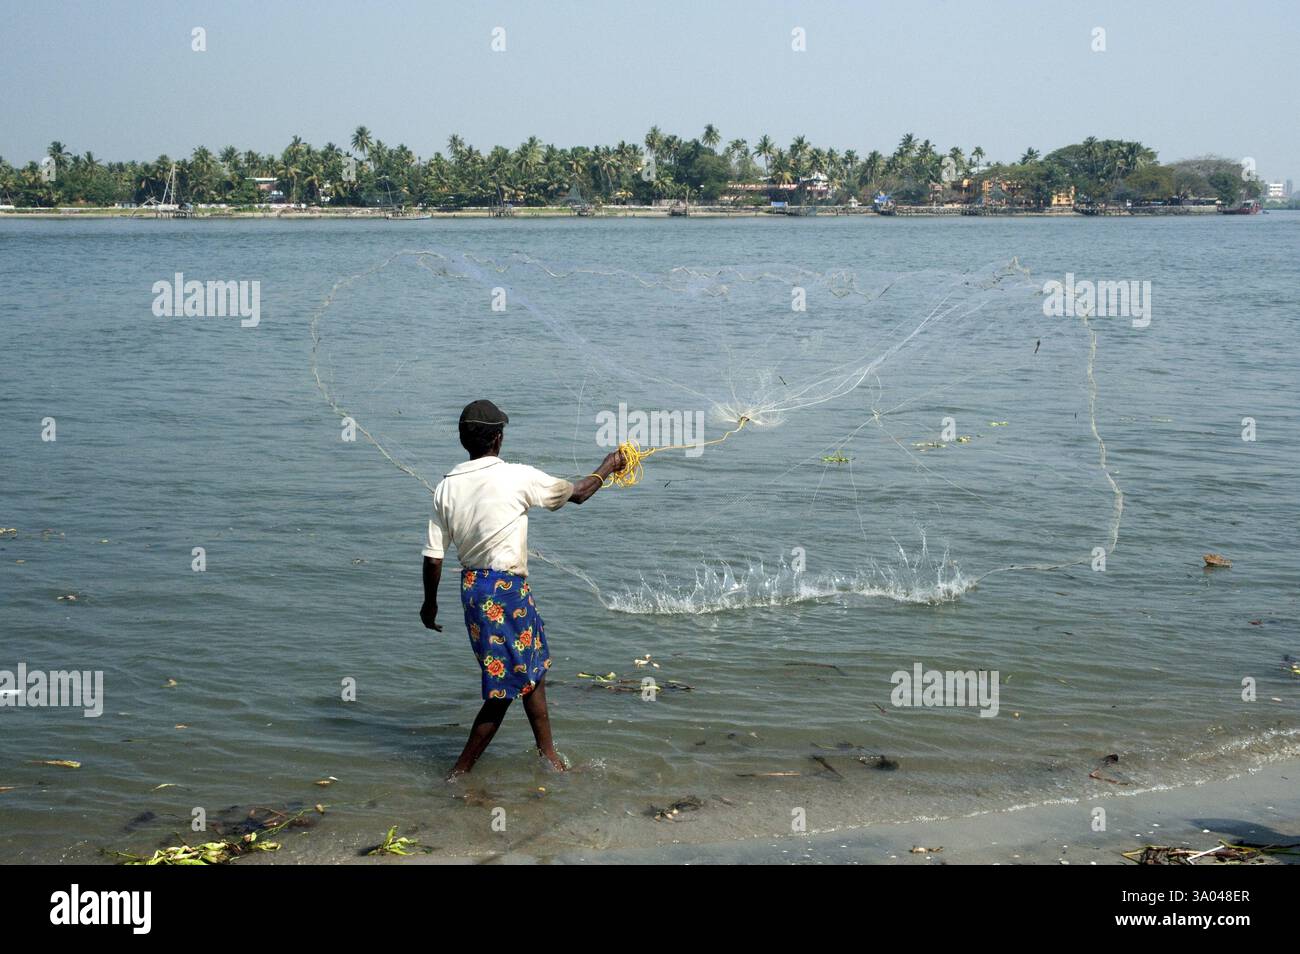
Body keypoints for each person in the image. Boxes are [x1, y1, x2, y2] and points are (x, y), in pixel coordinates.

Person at [420, 399, 624, 778]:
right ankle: (458, 773)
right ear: (498, 438)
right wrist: (608, 467)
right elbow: (577, 494)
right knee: (503, 688)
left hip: (474, 590)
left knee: (532, 673)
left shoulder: (445, 488)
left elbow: (434, 558)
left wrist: (429, 605)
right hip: (505, 592)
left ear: (464, 439)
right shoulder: (516, 476)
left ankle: (550, 760)